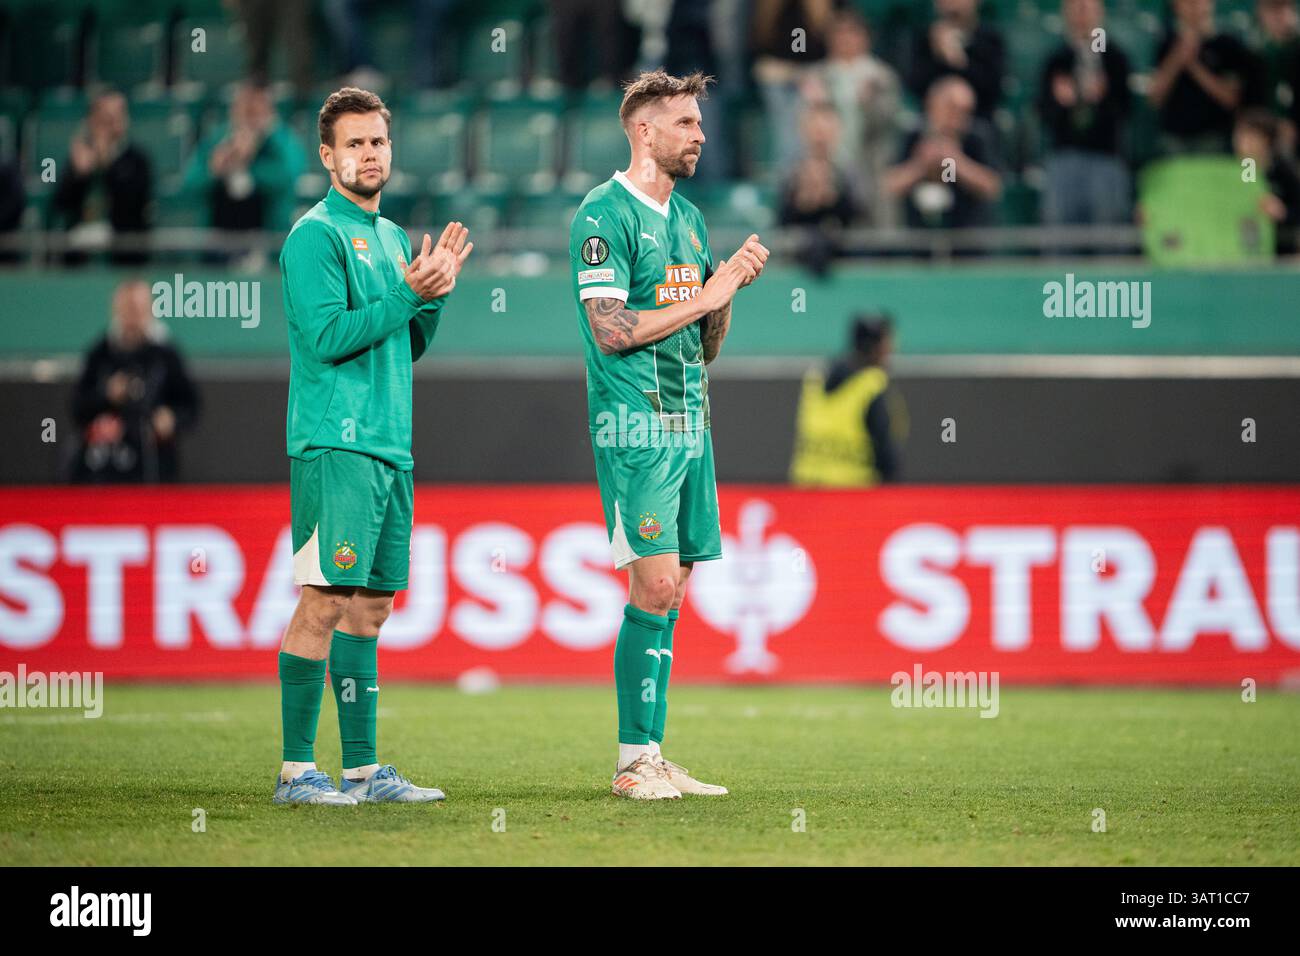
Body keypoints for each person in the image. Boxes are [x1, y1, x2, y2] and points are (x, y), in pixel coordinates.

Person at [569, 70, 769, 800]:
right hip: (637, 422)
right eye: (685, 123)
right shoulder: (603, 214)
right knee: (651, 582)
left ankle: (651, 751)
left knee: (674, 589)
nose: (701, 135)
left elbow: (706, 345)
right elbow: (610, 330)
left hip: (693, 421)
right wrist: (710, 294)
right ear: (644, 131)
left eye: (700, 122)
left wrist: (728, 293)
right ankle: (630, 764)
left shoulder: (687, 220)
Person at [275, 87, 472, 806]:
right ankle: (297, 771)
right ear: (328, 157)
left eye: (378, 142)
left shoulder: (391, 239)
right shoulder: (314, 237)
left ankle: (361, 770)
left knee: (371, 608)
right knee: (324, 599)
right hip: (337, 440)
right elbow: (326, 338)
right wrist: (405, 295)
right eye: (354, 144)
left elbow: (408, 342)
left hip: (391, 444)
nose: (369, 154)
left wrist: (435, 294)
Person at [70, 280, 199, 483]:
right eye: (129, 308)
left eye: (139, 309)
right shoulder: (100, 353)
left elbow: (191, 405)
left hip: (154, 468)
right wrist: (107, 394)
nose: (134, 316)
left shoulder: (165, 355)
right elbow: (77, 407)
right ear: (116, 309)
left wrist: (170, 418)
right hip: (104, 470)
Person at [181, 84, 304, 261]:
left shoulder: (278, 142)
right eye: (244, 112)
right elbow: (190, 183)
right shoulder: (218, 140)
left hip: (265, 246)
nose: (249, 120)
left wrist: (251, 164)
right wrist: (215, 169)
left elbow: (289, 175)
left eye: (256, 113)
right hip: (217, 246)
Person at [1038, 0, 1133, 226]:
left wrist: (1102, 98)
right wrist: (1060, 101)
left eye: (1087, 9)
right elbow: (1042, 111)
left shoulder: (1114, 58)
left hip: (1106, 158)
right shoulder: (1056, 59)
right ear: (1066, 14)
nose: (1081, 16)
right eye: (1076, 9)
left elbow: (1127, 109)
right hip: (1064, 157)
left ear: (1099, 14)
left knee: (1108, 235)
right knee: (1059, 236)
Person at [807, 8, 902, 226]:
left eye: (852, 33)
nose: (845, 40)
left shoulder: (882, 77)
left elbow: (891, 123)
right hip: (830, 168)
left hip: (872, 166)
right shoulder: (817, 77)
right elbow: (806, 125)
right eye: (839, 34)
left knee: (876, 224)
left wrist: (870, 104)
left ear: (865, 37)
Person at [790, 315, 904, 487]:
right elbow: (887, 455)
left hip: (806, 492)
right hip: (852, 496)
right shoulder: (873, 385)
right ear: (876, 347)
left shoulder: (816, 377)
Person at [884, 75, 1002, 230]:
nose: (958, 117)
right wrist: (921, 165)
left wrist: (955, 161)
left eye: (965, 111)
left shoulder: (976, 138)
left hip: (966, 239)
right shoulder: (911, 135)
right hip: (917, 239)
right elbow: (889, 186)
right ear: (932, 104)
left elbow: (993, 187)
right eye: (952, 108)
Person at [1148, 0, 1267, 153]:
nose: (1193, 7)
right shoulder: (1166, 42)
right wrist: (1177, 58)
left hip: (1215, 137)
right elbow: (1154, 98)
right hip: (1173, 137)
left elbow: (1231, 98)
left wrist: (1194, 66)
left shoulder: (1227, 44)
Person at [52, 91, 151, 265]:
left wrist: (107, 164)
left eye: (117, 117)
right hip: (78, 253)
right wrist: (78, 175)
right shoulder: (79, 157)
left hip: (122, 251)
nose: (111, 125)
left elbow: (133, 207)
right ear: (92, 120)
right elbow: (60, 203)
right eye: (105, 119)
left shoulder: (137, 159)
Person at [906, 0, 1006, 120]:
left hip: (977, 120)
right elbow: (915, 85)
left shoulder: (991, 40)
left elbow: (992, 90)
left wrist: (957, 59)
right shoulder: (925, 38)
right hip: (931, 121)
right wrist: (939, 54)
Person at [1234, 108, 1300, 253]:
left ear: (1266, 140)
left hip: (1280, 250)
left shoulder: (1281, 172)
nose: (1243, 143)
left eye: (1251, 137)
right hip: (1241, 251)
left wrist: (1284, 212)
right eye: (1240, 136)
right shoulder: (1232, 172)